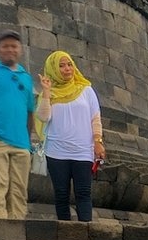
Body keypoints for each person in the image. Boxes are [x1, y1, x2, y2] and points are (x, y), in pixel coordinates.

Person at [39, 49, 104, 222]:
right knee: (61, 194)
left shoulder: (86, 90)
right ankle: (65, 233)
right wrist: (46, 92)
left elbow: (95, 117)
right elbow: (44, 117)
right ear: (53, 69)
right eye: (61, 66)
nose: (67, 69)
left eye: (69, 65)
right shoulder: (49, 92)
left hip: (83, 150)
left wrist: (98, 141)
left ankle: (86, 233)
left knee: (84, 193)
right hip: (56, 151)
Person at [0, 32, 39, 220]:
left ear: (20, 50)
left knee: (19, 189)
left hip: (21, 142)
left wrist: (29, 142)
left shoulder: (26, 78)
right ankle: (0, 228)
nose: (10, 50)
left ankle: (17, 228)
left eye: (14, 46)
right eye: (5, 46)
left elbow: (30, 111)